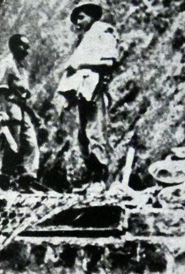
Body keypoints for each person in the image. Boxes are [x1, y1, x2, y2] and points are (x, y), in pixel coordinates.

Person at [57, 0, 119, 191]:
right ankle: (92, 176)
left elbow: (109, 62)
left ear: (92, 14)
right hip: (83, 91)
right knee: (83, 136)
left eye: (81, 17)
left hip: (95, 88)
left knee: (94, 132)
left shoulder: (104, 31)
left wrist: (83, 65)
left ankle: (99, 178)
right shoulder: (84, 38)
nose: (78, 21)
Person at [0, 33, 40, 191]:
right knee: (12, 146)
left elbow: (23, 96)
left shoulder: (22, 68)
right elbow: (1, 89)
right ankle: (3, 180)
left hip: (22, 110)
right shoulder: (6, 64)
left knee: (31, 145)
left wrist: (33, 114)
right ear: (14, 46)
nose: (27, 50)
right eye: (24, 46)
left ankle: (27, 179)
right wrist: (2, 113)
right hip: (10, 109)